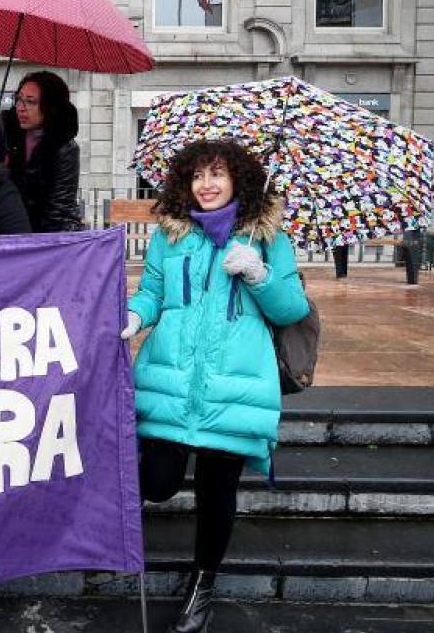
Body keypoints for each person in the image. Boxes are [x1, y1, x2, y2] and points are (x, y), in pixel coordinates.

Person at [119, 140, 309, 633]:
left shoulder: (266, 236)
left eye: (217, 174)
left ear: (237, 180)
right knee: (157, 482)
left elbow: (292, 309)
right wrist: (133, 317)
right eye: (198, 175)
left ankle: (202, 589)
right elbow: (152, 293)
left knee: (216, 491)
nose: (206, 184)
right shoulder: (170, 234)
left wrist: (259, 274)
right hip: (171, 379)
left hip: (235, 384)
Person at [0, 71, 84, 232]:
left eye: (30, 102)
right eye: (19, 99)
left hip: (47, 232)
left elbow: (60, 211)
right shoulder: (3, 129)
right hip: (5, 227)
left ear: (50, 107)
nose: (21, 108)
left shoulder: (65, 148)